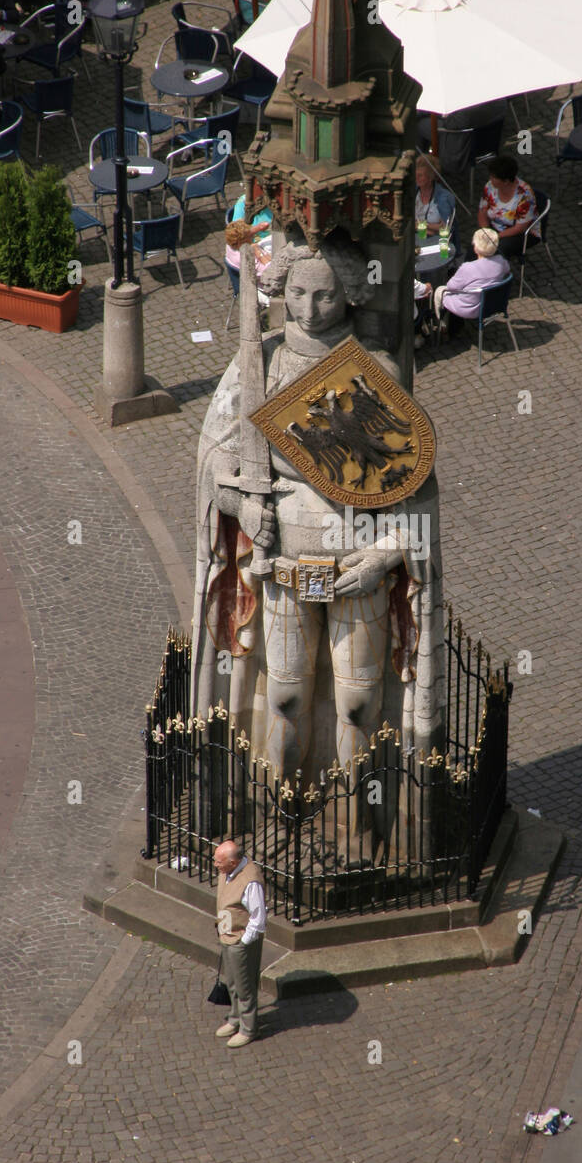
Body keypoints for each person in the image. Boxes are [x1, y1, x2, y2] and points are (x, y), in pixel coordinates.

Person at [191, 231, 444, 784]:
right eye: (298, 294)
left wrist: (382, 558)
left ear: (350, 294)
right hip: (284, 569)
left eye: (324, 296)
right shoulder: (261, 367)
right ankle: (284, 804)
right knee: (283, 697)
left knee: (359, 707)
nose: (308, 309)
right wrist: (240, 504)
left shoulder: (375, 371)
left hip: (357, 573)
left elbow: (412, 494)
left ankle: (358, 813)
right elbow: (218, 464)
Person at [213, 839, 267, 1048]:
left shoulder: (250, 881)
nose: (215, 865)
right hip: (227, 935)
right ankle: (235, 1019)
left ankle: (248, 1029)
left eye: (219, 862)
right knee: (233, 983)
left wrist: (243, 942)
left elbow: (258, 917)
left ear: (233, 863)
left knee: (245, 987)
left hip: (240, 941)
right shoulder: (227, 871)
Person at [430, 227, 509, 337]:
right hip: (493, 304)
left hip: (470, 308)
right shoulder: (501, 261)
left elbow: (450, 286)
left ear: (476, 248)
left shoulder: (468, 268)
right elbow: (506, 271)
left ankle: (441, 325)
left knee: (439, 290)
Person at [476, 155, 537, 258]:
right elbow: (483, 211)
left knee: (497, 252)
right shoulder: (490, 186)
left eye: (494, 177)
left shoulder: (525, 196)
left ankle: (497, 272)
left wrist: (495, 237)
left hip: (519, 233)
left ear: (506, 181)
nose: (490, 179)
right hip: (495, 228)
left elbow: (520, 228)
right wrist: (486, 231)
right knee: (475, 249)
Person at [414, 155, 455, 233]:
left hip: (436, 241)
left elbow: (446, 228)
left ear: (431, 177)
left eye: (420, 175)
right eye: (415, 174)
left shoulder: (444, 197)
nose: (416, 178)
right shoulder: (413, 193)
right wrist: (431, 229)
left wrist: (421, 226)